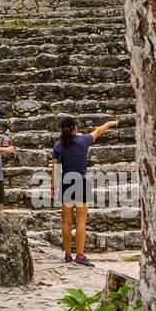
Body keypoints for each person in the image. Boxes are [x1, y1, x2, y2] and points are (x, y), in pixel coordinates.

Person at [51, 114, 119, 267]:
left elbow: (55, 169)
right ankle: (80, 255)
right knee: (81, 221)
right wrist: (110, 123)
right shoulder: (83, 141)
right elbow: (99, 130)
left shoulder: (58, 146)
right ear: (74, 128)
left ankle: (67, 254)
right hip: (82, 181)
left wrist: (54, 187)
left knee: (66, 222)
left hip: (66, 182)